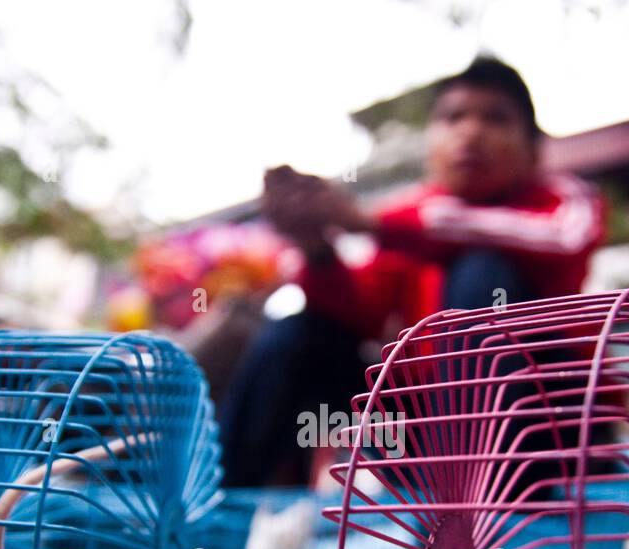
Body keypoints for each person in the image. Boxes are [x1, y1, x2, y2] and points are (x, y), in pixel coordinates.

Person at [220, 55, 606, 487]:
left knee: (483, 271)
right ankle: (225, 510)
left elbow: (562, 239)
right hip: (428, 441)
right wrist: (316, 248)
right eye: (452, 117)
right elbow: (360, 313)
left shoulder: (565, 201)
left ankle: (472, 499)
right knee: (294, 334)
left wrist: (376, 225)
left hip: (549, 436)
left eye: (495, 118)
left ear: (534, 150)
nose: (470, 132)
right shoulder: (407, 219)